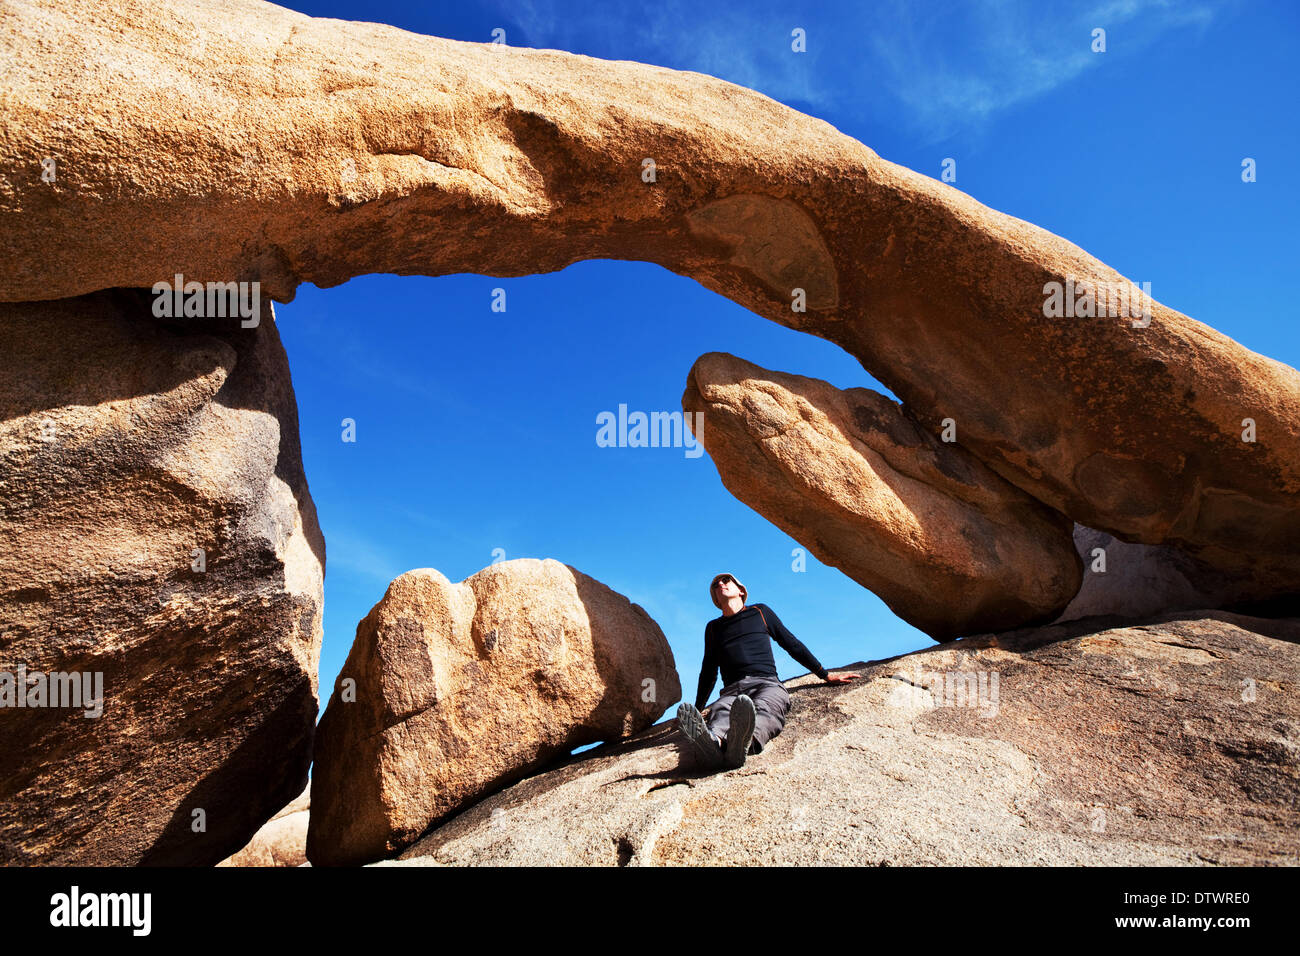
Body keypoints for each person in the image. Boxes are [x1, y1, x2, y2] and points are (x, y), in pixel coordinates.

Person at [676, 572, 859, 769]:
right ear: (716, 600)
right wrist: (698, 706)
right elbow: (708, 669)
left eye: (726, 580)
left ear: (740, 590)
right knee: (721, 711)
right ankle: (715, 743)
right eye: (715, 585)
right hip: (732, 690)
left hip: (767, 683)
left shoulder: (760, 612)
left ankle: (739, 744)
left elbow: (791, 644)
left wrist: (825, 674)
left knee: (766, 708)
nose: (720, 584)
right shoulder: (713, 628)